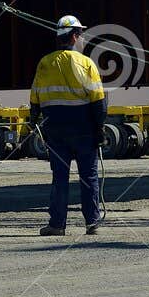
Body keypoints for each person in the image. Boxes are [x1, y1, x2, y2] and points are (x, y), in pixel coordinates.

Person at [29, 15, 107, 237]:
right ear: (74, 36)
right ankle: (92, 222)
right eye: (81, 35)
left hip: (55, 129)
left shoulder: (44, 63)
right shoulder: (86, 63)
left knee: (60, 178)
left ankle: (57, 225)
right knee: (89, 177)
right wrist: (100, 128)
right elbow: (98, 100)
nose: (82, 39)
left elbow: (35, 97)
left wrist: (33, 120)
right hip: (83, 129)